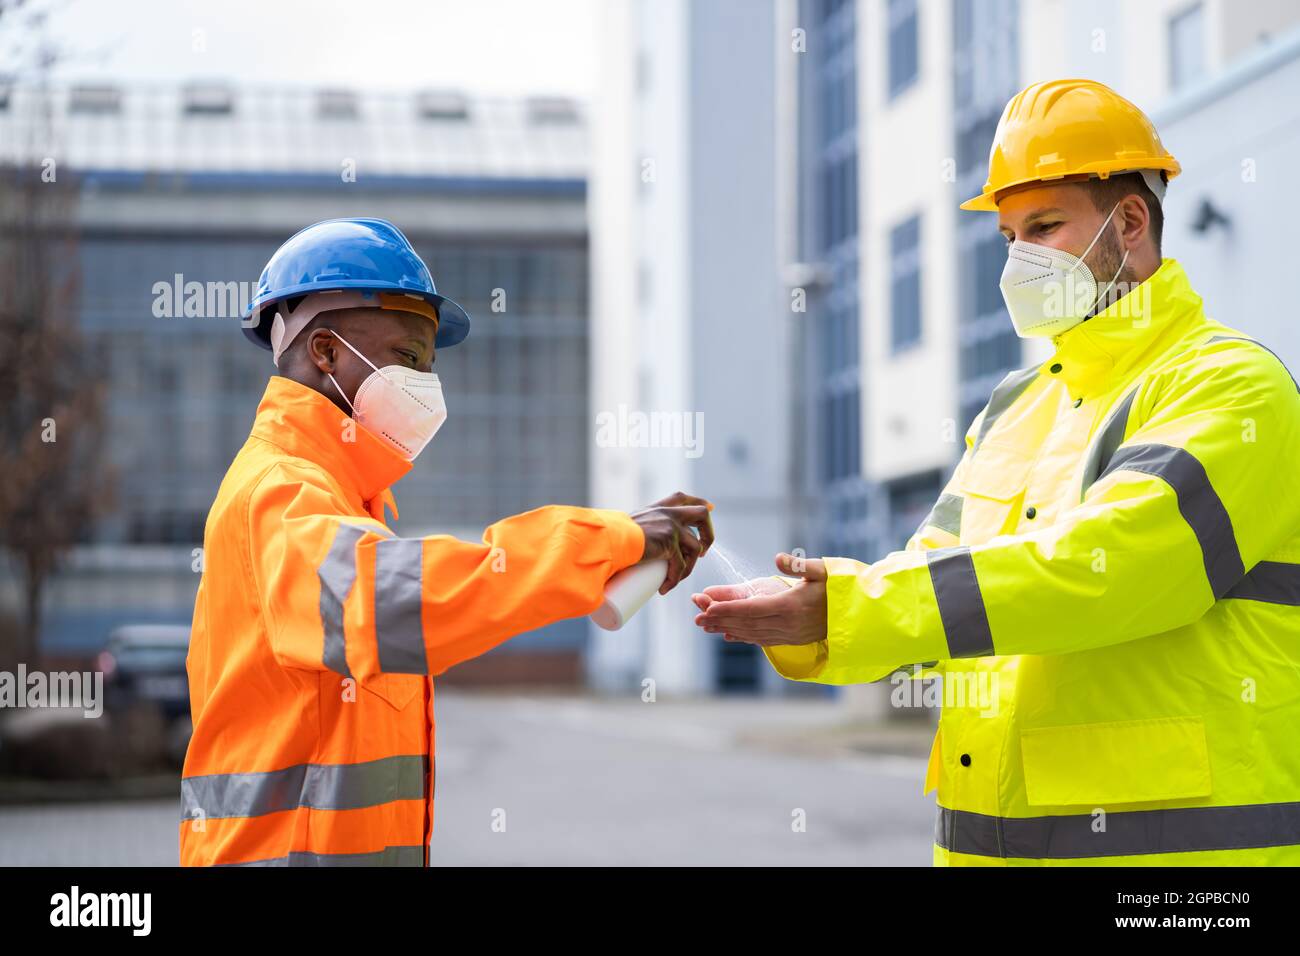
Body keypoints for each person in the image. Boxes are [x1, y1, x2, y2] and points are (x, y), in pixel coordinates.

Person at [693, 79, 1300, 865]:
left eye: (1043, 226)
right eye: (1007, 235)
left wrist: (858, 607)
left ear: (1131, 221)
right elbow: (929, 580)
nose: (1018, 260)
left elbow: (1108, 569)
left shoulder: (1228, 385)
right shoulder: (1017, 407)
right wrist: (819, 614)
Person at [181, 217, 713, 866]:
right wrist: (606, 540)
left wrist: (614, 552)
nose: (425, 386)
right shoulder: (280, 491)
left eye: (429, 366)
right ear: (325, 351)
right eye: (408, 358)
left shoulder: (342, 499)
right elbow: (393, 604)